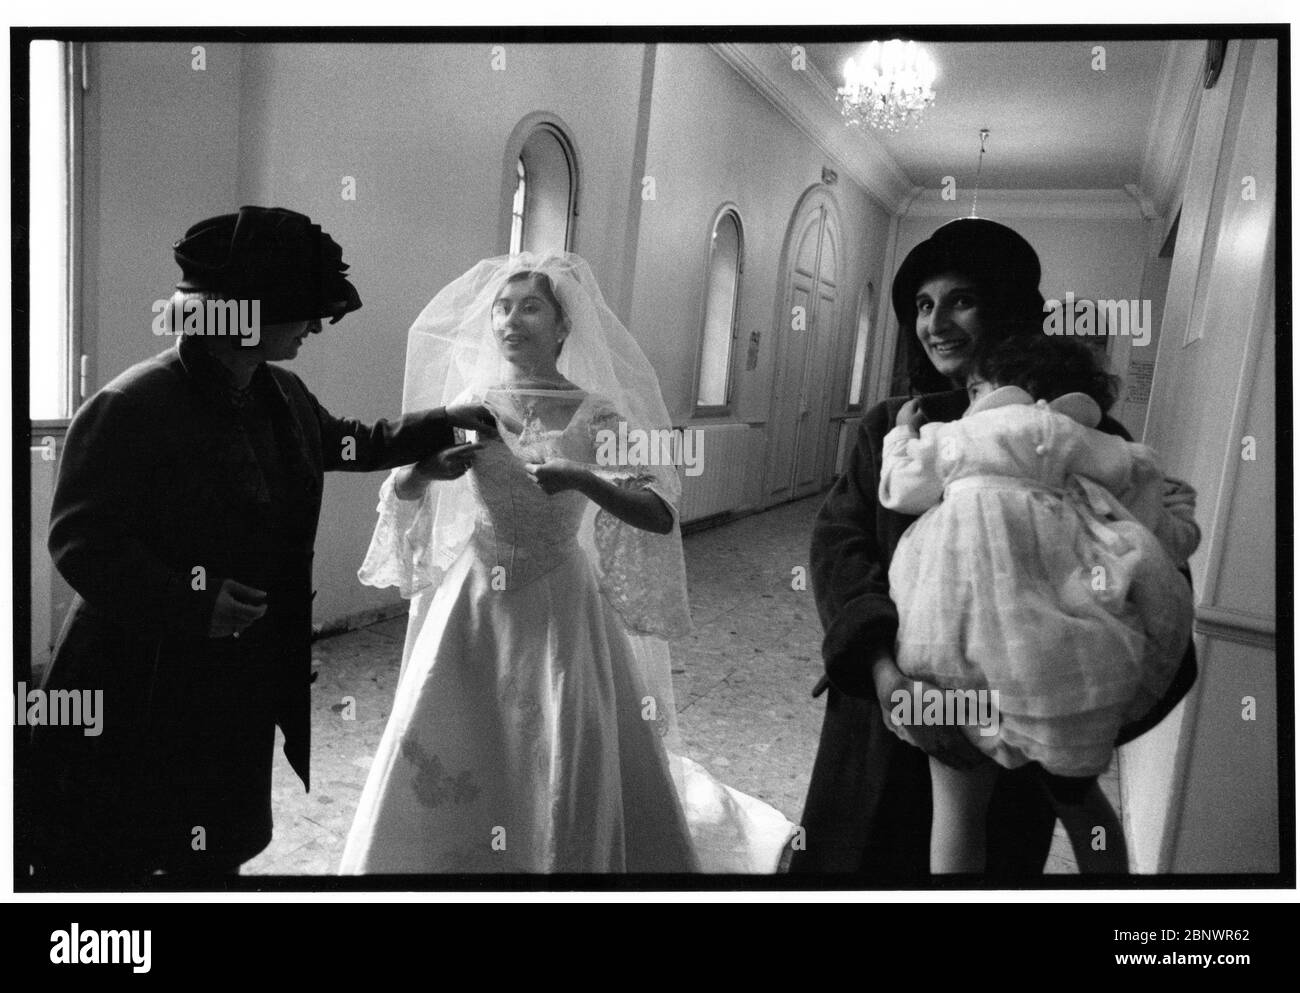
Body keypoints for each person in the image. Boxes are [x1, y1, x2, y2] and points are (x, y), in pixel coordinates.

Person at [30, 206, 494, 884]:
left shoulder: (279, 390)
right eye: (302, 311)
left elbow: (349, 441)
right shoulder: (132, 405)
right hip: (143, 676)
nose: (313, 325)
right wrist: (193, 599)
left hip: (234, 680)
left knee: (214, 845)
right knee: (125, 848)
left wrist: (443, 424)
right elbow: (81, 541)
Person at [341, 252, 794, 873]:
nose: (510, 320)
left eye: (530, 307)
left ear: (561, 327)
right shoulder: (471, 405)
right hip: (474, 596)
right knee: (457, 730)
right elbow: (403, 490)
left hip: (559, 597)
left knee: (564, 737)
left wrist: (585, 479)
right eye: (502, 307)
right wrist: (424, 470)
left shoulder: (599, 412)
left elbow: (659, 509)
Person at [789, 217, 1199, 878]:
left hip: (1019, 731)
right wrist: (887, 678)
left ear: (1006, 309)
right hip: (888, 714)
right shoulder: (897, 423)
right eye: (924, 304)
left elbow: (1139, 565)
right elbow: (840, 551)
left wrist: (1063, 713)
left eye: (961, 299)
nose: (936, 321)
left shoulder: (1080, 427)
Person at [882, 333, 1197, 873]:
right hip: (1059, 668)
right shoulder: (1078, 437)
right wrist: (1179, 513)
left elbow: (902, 485)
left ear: (1004, 387)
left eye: (977, 385)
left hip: (953, 651)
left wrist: (902, 433)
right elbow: (1144, 497)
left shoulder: (957, 435)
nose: (969, 395)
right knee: (1080, 803)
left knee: (956, 809)